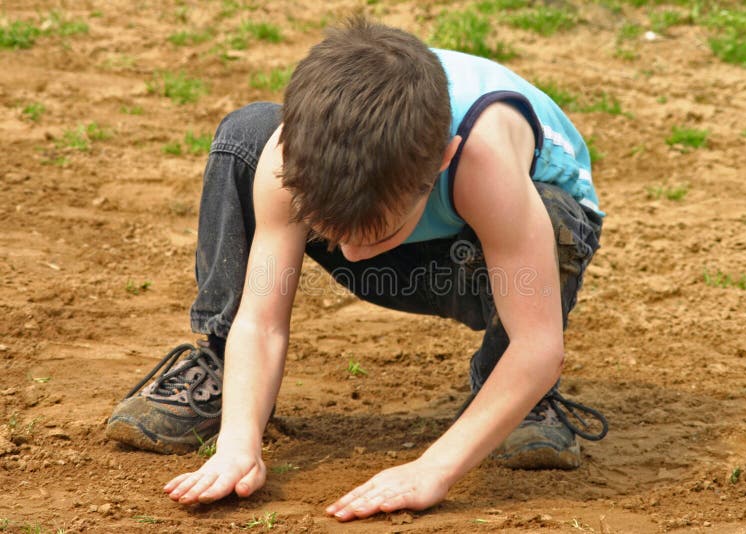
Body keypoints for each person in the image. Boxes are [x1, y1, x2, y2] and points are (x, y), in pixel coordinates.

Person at [106, 18, 608, 521]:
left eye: (372, 237)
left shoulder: (483, 157)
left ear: (444, 159)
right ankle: (220, 368)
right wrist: (239, 443)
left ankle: (516, 393)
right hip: (402, 211)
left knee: (553, 216)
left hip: (487, 264)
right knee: (245, 135)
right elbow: (261, 320)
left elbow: (538, 345)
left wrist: (432, 469)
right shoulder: (289, 155)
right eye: (329, 230)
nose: (348, 255)